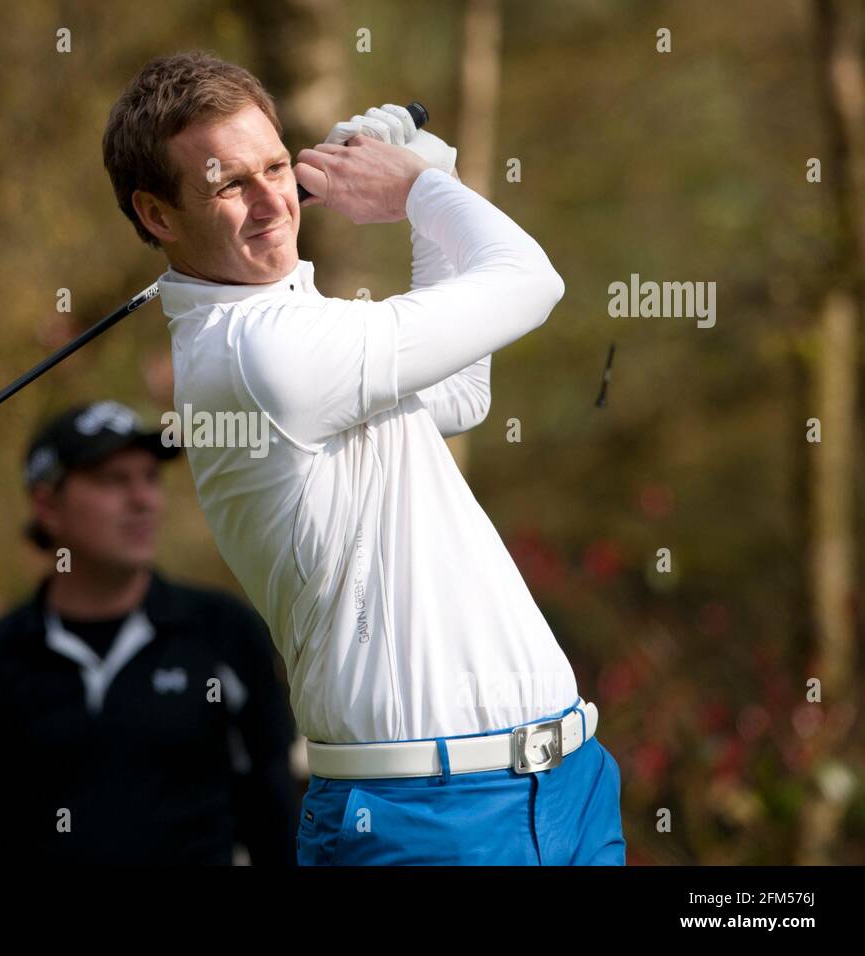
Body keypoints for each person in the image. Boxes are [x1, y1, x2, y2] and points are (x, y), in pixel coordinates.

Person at [100, 51, 625, 865]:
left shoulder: (297, 331)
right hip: (428, 818)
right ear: (159, 215)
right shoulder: (260, 356)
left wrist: (429, 172)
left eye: (276, 167)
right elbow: (530, 281)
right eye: (228, 185)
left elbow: (460, 393)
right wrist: (417, 189)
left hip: (568, 788)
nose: (273, 203)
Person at [0, 399, 298, 865]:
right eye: (113, 480)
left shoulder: (226, 634)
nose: (143, 500)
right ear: (47, 504)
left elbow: (276, 824)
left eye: (151, 478)